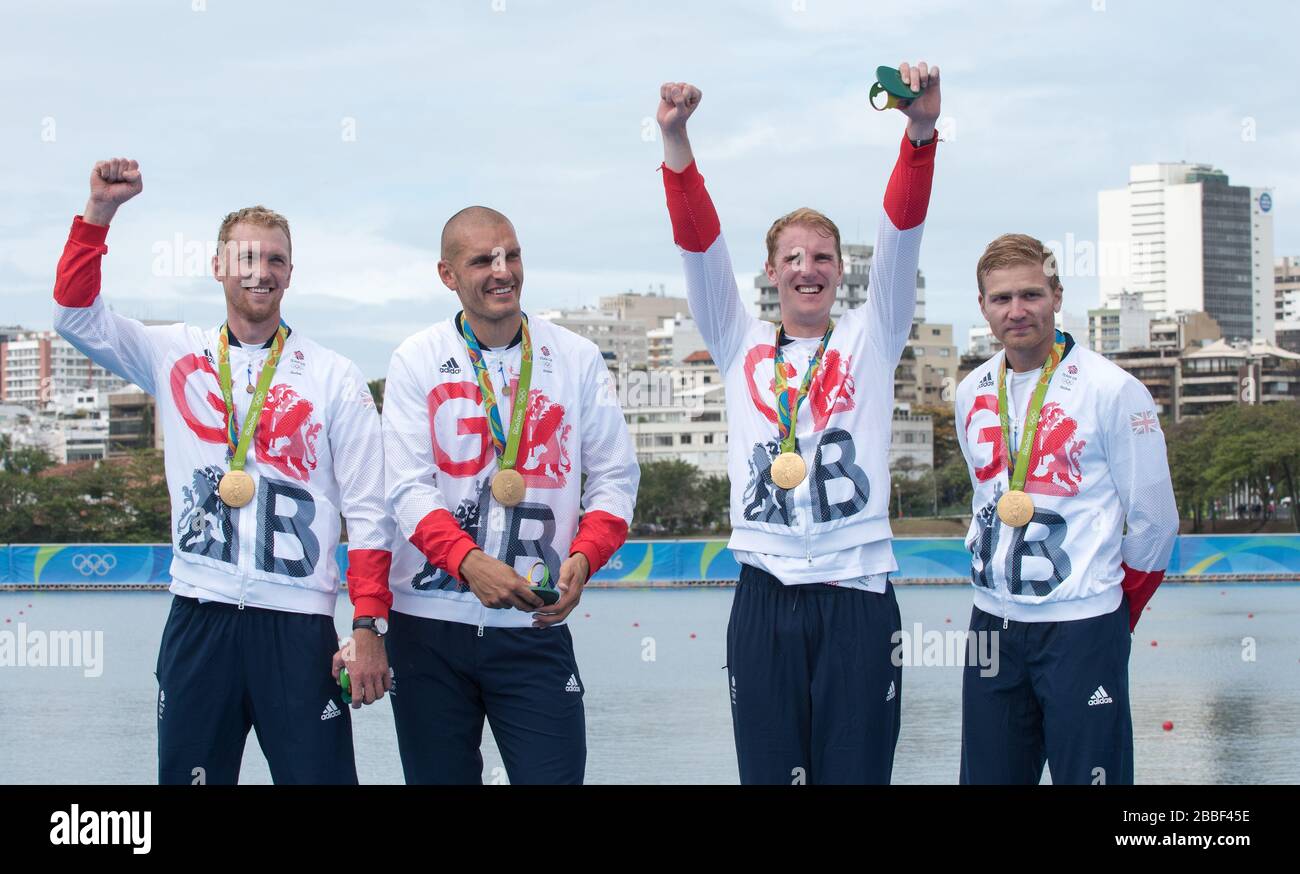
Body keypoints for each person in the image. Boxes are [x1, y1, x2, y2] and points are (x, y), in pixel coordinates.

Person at [53, 158, 393, 784]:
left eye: (275, 261)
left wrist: (368, 625)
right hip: (199, 616)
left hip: (298, 627)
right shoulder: (173, 352)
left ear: (290, 272)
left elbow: (371, 512)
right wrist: (98, 213)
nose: (260, 273)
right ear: (218, 267)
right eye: (246, 259)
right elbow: (75, 318)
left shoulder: (334, 376)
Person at [655, 64, 941, 784]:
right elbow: (698, 247)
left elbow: (903, 233)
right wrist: (677, 143)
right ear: (770, 272)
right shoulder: (735, 335)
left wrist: (919, 132)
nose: (807, 269)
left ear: (842, 270)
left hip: (857, 592)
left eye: (822, 258)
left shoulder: (875, 333)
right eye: (792, 258)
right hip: (764, 592)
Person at [381, 205, 639, 784]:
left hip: (535, 623)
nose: (502, 271)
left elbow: (616, 477)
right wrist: (469, 564)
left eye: (512, 254)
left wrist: (585, 557)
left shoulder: (575, 358)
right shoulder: (415, 359)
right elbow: (405, 488)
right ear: (447, 275)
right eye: (482, 260)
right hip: (429, 629)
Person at [954, 233, 1178, 784]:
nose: (1017, 310)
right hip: (992, 623)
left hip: (1082, 626)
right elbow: (988, 501)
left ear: (1056, 294)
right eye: (1001, 298)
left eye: (1031, 294)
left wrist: (1116, 610)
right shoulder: (969, 390)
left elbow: (1155, 518)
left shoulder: (1114, 389)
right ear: (982, 307)